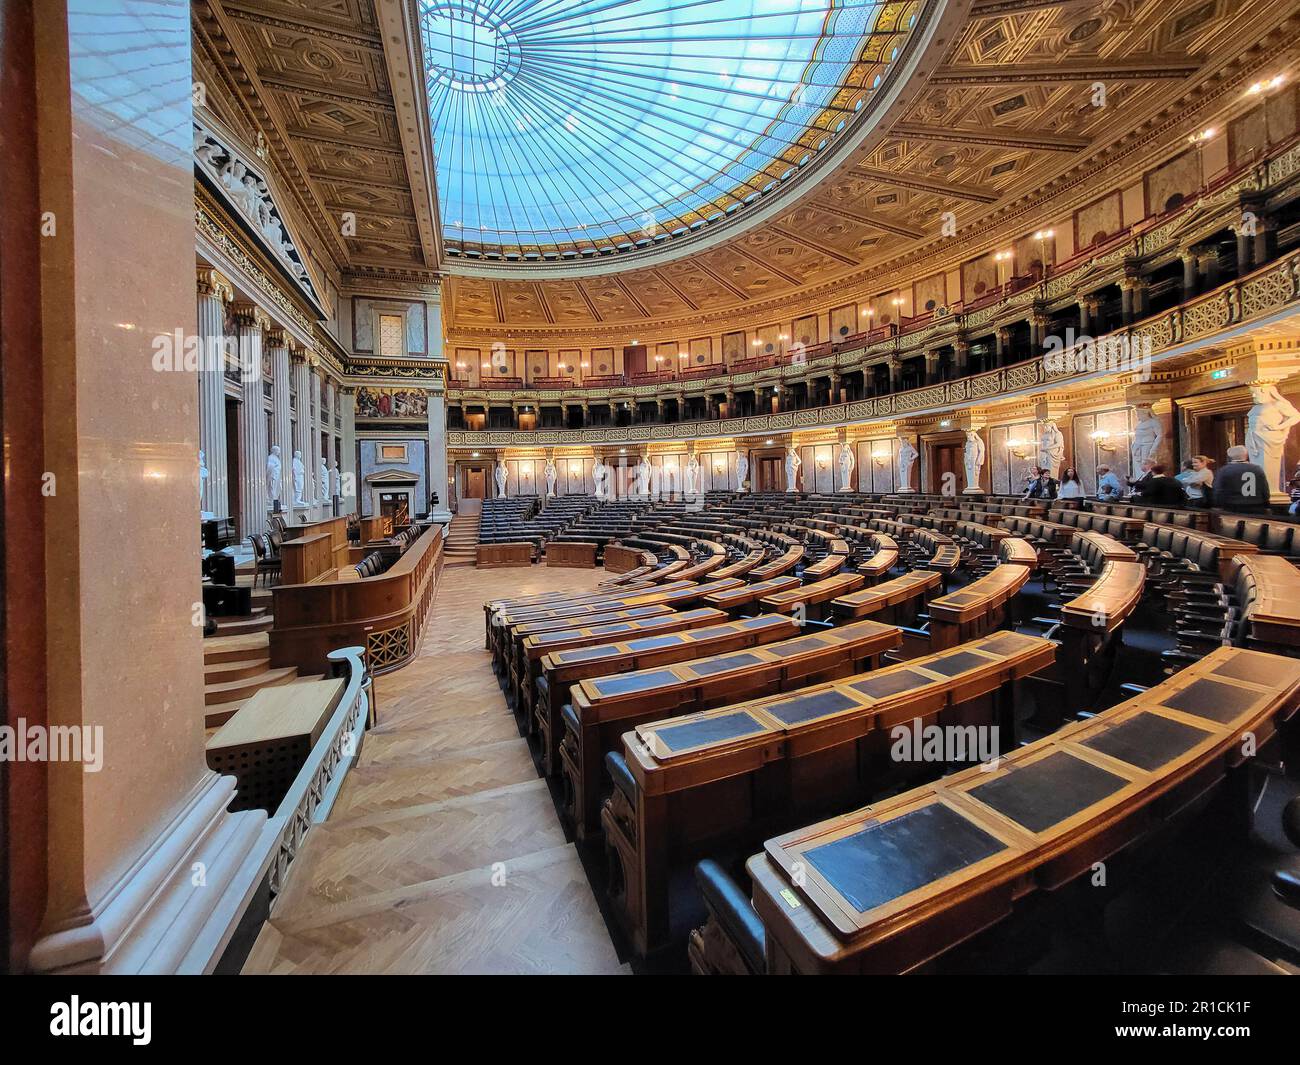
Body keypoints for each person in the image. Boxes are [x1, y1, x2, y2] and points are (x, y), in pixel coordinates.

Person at [1213, 444, 1271, 513]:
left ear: (1229, 457)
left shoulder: (1224, 470)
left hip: (1232, 507)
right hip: (1256, 506)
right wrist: (1266, 504)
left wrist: (1217, 505)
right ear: (1246, 455)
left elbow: (1218, 490)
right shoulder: (1257, 469)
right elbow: (1265, 490)